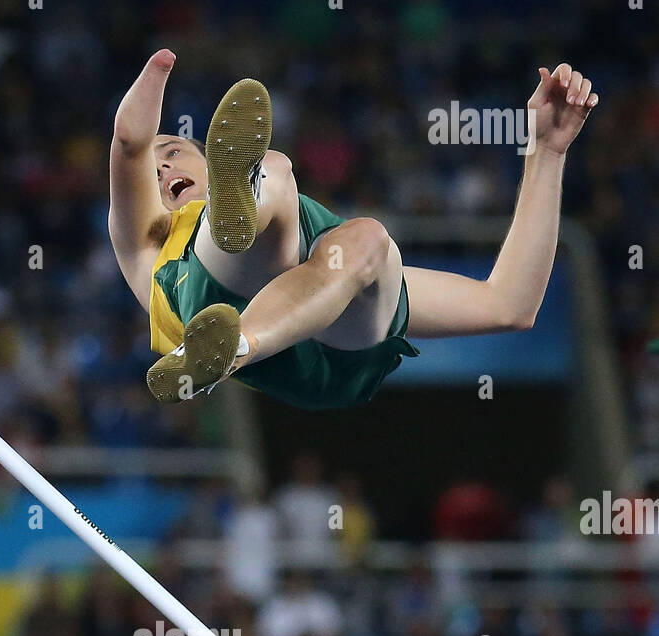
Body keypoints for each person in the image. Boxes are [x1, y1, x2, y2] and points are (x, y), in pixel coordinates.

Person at [109, 51, 598, 408]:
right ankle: (230, 316)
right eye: (151, 175)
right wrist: (155, 77)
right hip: (211, 304)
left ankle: (235, 338)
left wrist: (547, 152)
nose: (161, 169)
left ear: (209, 159)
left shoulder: (314, 226)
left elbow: (508, 305)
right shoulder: (147, 243)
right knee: (274, 169)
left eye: (172, 151)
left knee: (366, 239)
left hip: (334, 340)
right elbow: (131, 142)